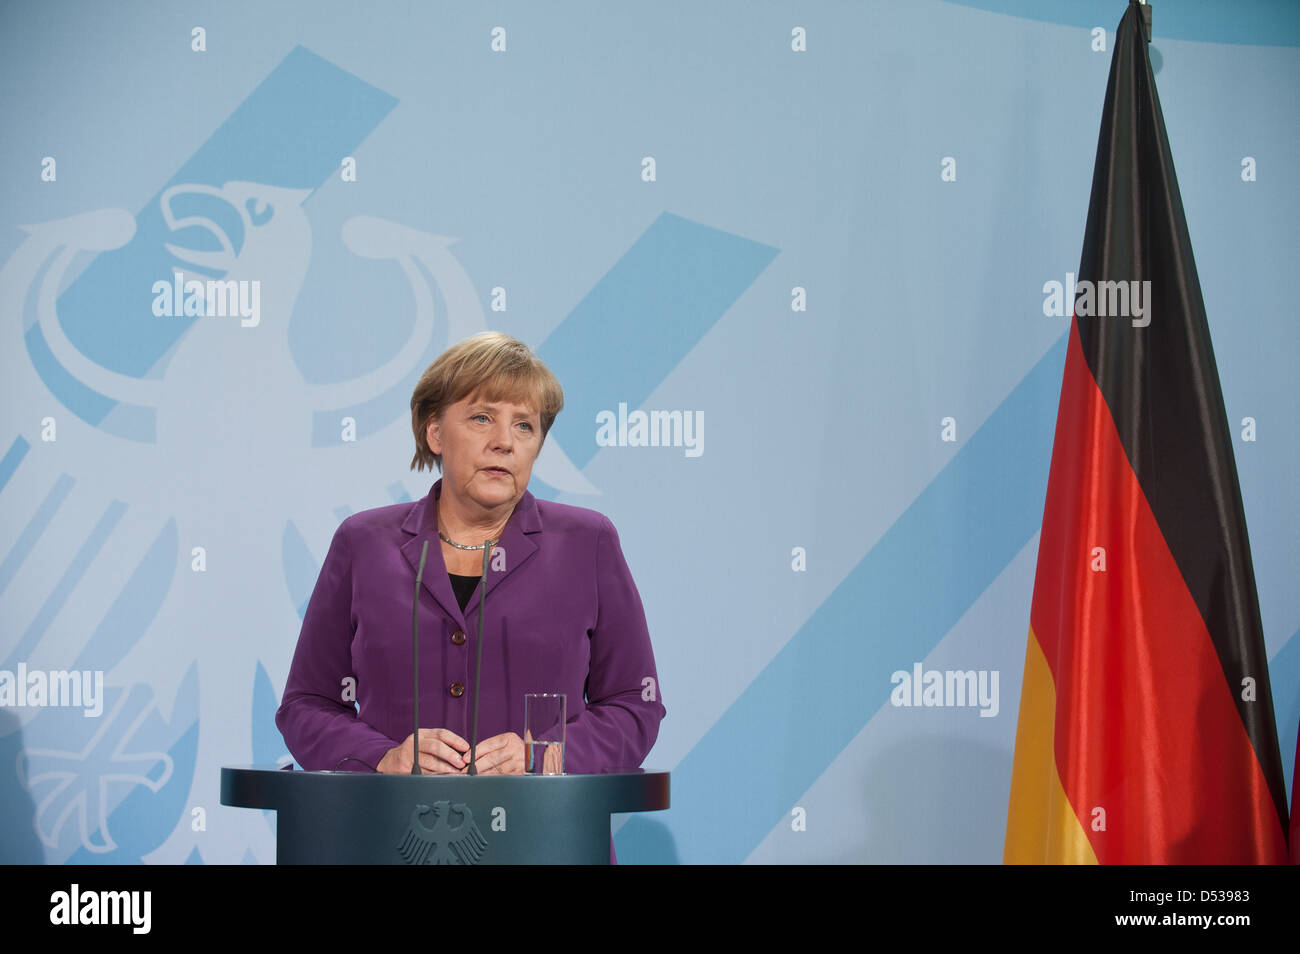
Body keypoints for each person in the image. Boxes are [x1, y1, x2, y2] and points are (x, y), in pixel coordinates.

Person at [275, 332, 665, 780]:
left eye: (524, 425)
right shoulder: (363, 542)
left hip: (546, 838)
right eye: (482, 418)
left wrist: (546, 756)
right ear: (435, 432)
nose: (505, 442)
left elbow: (636, 704)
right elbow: (307, 705)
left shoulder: (587, 542)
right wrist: (383, 758)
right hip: (391, 836)